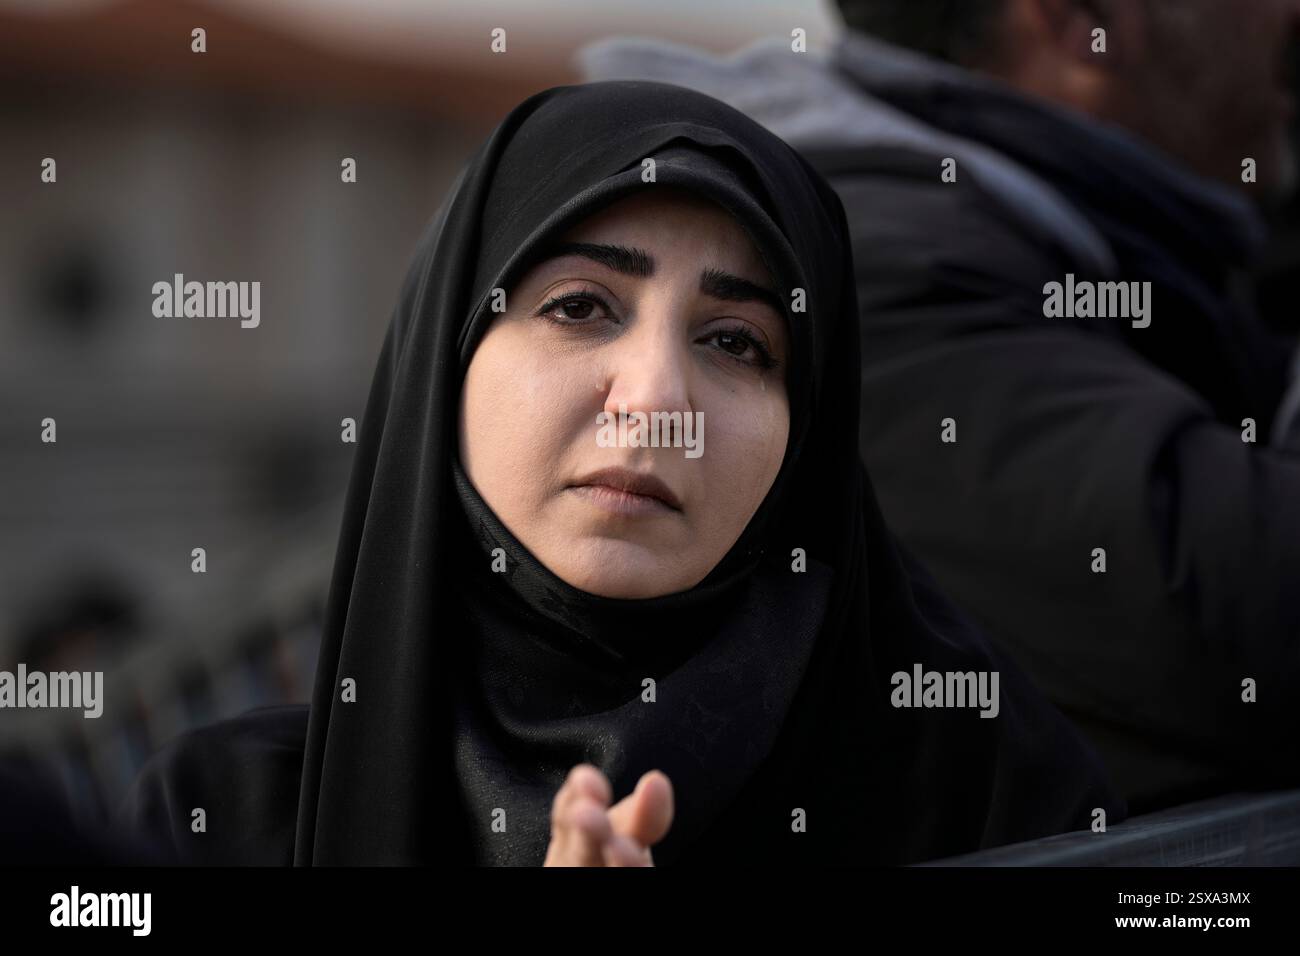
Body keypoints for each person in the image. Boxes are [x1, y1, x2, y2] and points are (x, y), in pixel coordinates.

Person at [116, 80, 1123, 866]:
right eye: (581, 306)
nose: (653, 403)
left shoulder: (979, 785)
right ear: (446, 359)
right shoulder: (223, 818)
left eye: (734, 341)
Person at [579, 0, 1300, 814]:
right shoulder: (883, 279)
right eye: (579, 311)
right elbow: (1261, 615)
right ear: (1076, 20)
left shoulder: (1126, 226)